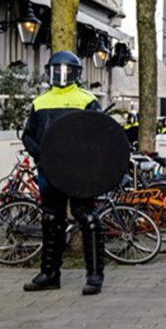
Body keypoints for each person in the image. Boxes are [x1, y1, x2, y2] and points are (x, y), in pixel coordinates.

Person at [21, 51, 107, 295]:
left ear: (76, 73)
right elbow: (28, 134)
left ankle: (94, 276)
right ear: (48, 72)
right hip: (48, 171)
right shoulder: (40, 102)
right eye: (56, 70)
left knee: (87, 218)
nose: (60, 75)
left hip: (78, 171)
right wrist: (40, 154)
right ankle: (49, 274)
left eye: (66, 70)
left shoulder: (86, 100)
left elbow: (99, 136)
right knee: (50, 220)